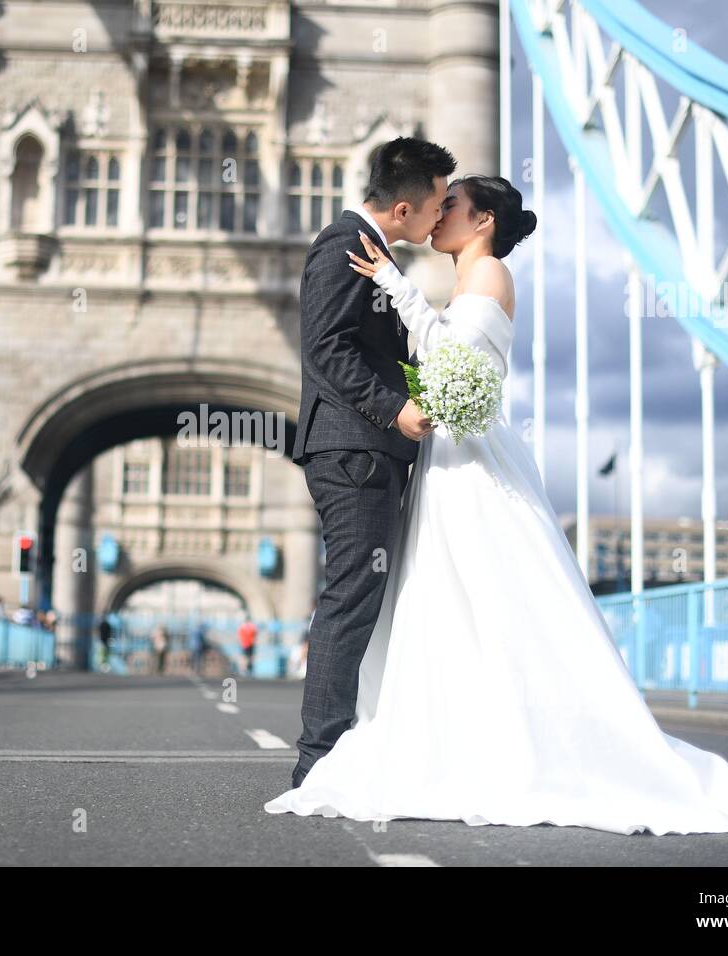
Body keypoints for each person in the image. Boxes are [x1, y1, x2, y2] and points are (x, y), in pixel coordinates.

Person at [265, 174, 728, 835]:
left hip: (475, 463)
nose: (439, 218)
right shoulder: (469, 280)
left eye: (453, 208)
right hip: (447, 460)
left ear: (484, 221)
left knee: (497, 600)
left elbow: (455, 369)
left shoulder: (491, 275)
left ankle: (523, 750)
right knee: (440, 603)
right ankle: (459, 741)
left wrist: (396, 287)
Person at [287, 137, 454, 789]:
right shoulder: (343, 245)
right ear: (407, 206)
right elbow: (325, 350)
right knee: (351, 596)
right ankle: (318, 758)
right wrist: (394, 409)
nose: (441, 218)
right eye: (438, 205)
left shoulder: (376, 252)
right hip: (353, 448)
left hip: (370, 447)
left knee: (364, 596)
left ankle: (344, 744)